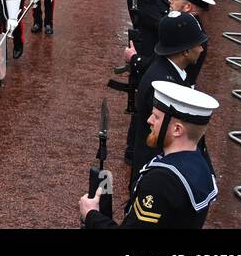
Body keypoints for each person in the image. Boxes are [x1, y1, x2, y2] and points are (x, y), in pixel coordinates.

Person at [81, 82, 218, 229]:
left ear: (177, 130)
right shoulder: (201, 164)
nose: (149, 120)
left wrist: (91, 214)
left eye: (156, 117)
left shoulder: (161, 181)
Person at [129, 12, 207, 186]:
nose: (202, 49)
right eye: (198, 44)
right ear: (185, 51)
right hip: (159, 178)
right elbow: (168, 136)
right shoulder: (165, 85)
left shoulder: (167, 71)